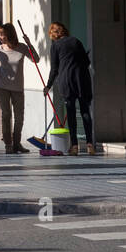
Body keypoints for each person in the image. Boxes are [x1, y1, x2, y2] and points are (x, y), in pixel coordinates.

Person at [44, 21, 96, 155]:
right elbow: (86, 61)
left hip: (67, 81)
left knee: (71, 114)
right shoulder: (76, 41)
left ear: (53, 34)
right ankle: (90, 144)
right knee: (85, 111)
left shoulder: (55, 46)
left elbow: (54, 69)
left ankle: (74, 146)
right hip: (82, 80)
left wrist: (48, 85)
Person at [0, 23, 30, 154]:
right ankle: (8, 144)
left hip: (18, 87)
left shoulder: (22, 48)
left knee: (19, 117)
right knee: (6, 115)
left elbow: (36, 59)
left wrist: (29, 44)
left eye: (2, 34)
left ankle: (17, 143)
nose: (0, 37)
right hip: (2, 87)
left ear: (10, 34)